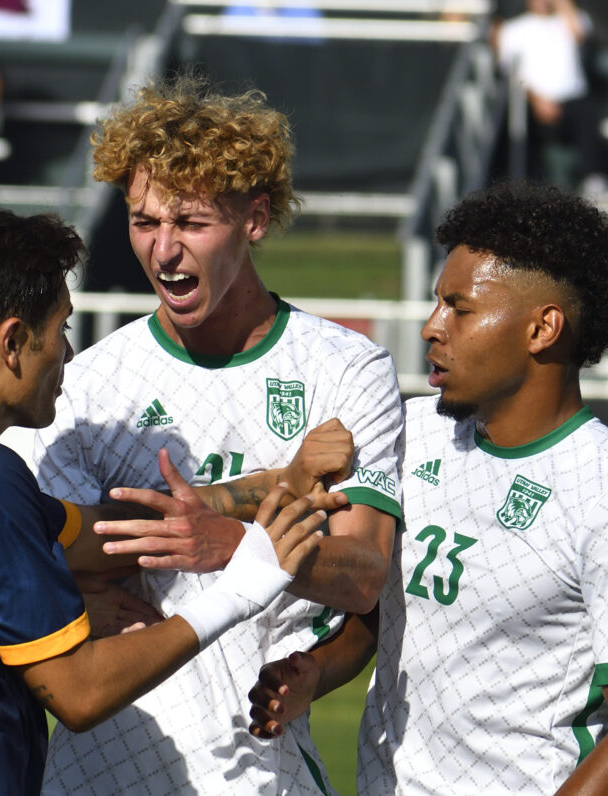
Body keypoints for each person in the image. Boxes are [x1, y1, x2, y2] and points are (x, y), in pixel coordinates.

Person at [0, 201, 343, 795]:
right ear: (13, 342)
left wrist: (273, 484)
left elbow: (98, 537)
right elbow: (79, 692)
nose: (67, 353)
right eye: (60, 328)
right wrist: (237, 593)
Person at [249, 181, 608, 795]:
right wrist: (314, 673)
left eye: (461, 308)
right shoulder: (410, 436)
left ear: (542, 328)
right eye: (436, 304)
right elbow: (381, 620)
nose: (431, 327)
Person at [35, 75, 403, 795]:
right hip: (100, 770)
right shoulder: (88, 382)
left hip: (257, 766)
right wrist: (278, 489)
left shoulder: (347, 370)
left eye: (191, 223)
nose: (163, 251)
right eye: (144, 222)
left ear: (256, 220)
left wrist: (233, 545)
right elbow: (53, 561)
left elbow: (363, 575)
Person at [494, 0, 608, 193]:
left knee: (587, 114)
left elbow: (580, 35)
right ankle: (523, 184)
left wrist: (563, 5)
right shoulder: (514, 29)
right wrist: (538, 101)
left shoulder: (574, 18)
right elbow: (509, 73)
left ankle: (592, 177)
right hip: (531, 102)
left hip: (573, 101)